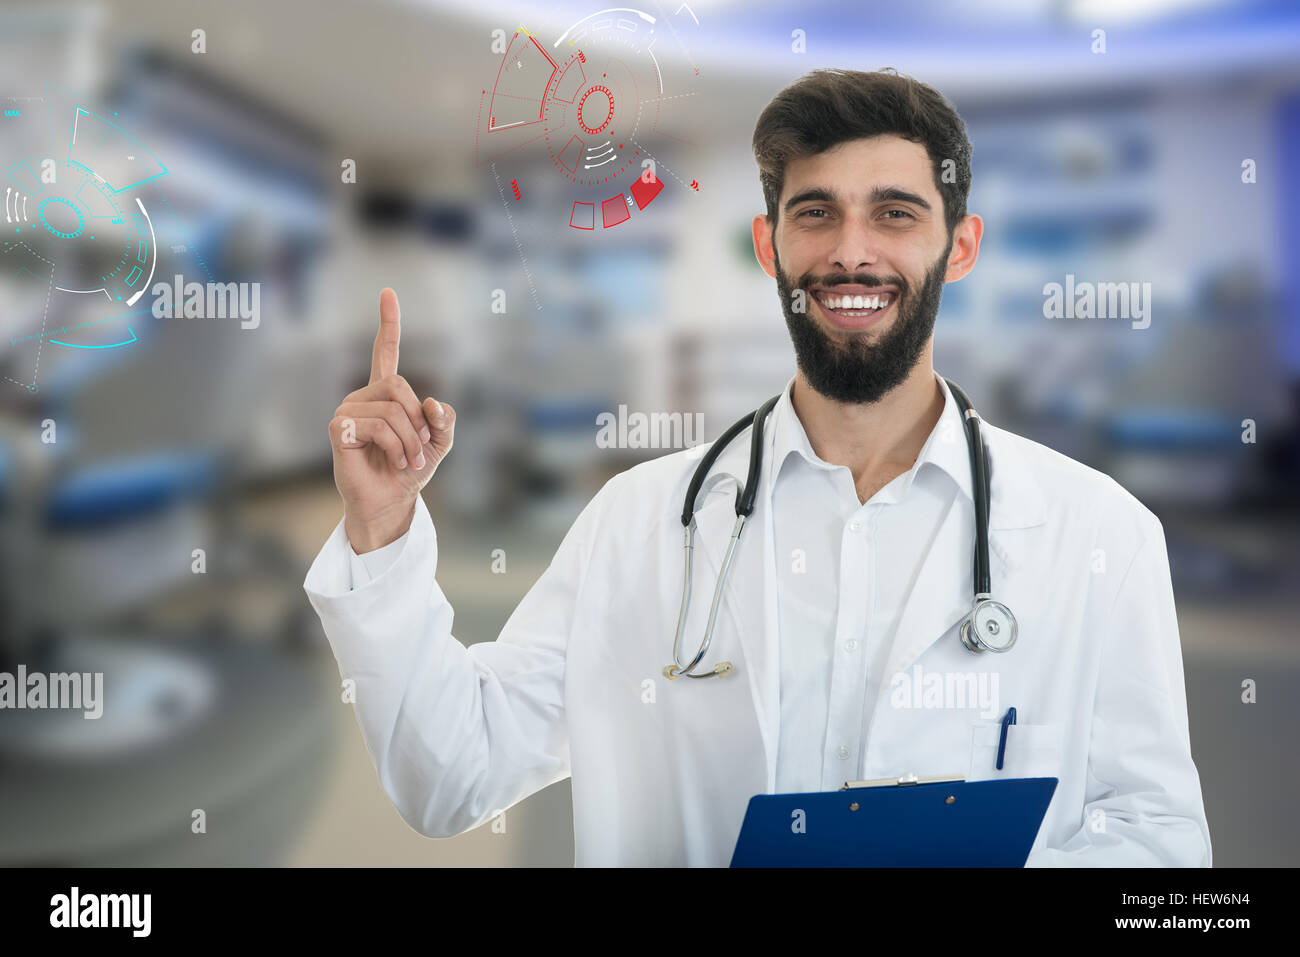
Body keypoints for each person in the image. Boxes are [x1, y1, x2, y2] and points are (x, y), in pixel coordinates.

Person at [304, 68, 1211, 866]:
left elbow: (1162, 843)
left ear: (959, 246)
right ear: (771, 244)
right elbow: (451, 777)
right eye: (815, 211)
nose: (851, 250)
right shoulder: (638, 522)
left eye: (895, 213)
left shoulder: (1100, 534)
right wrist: (381, 530)